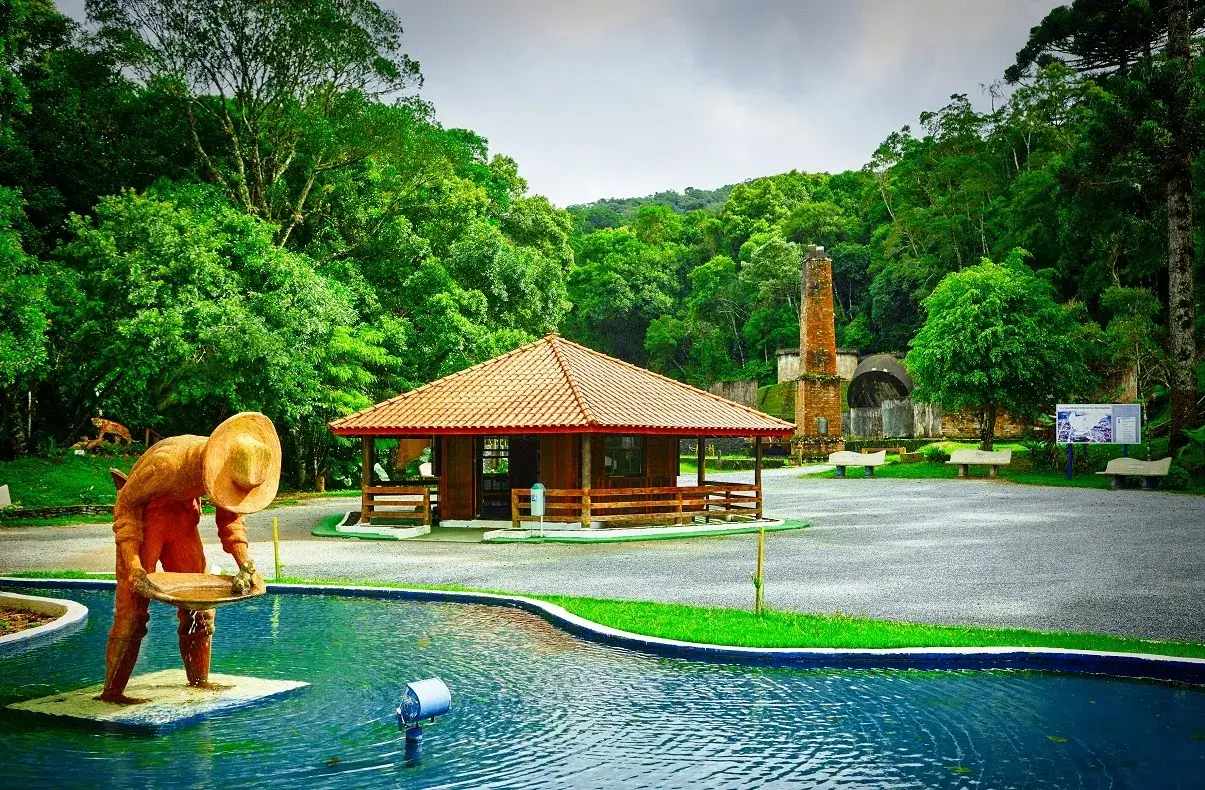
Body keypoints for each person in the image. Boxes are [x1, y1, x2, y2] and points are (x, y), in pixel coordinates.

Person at [98, 412, 281, 704]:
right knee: (132, 609)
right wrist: (132, 564)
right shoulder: (166, 463)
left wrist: (246, 564)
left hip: (183, 522)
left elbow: (231, 520)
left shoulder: (228, 464)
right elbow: (125, 506)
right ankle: (112, 692)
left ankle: (199, 680)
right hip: (147, 523)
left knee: (201, 607)